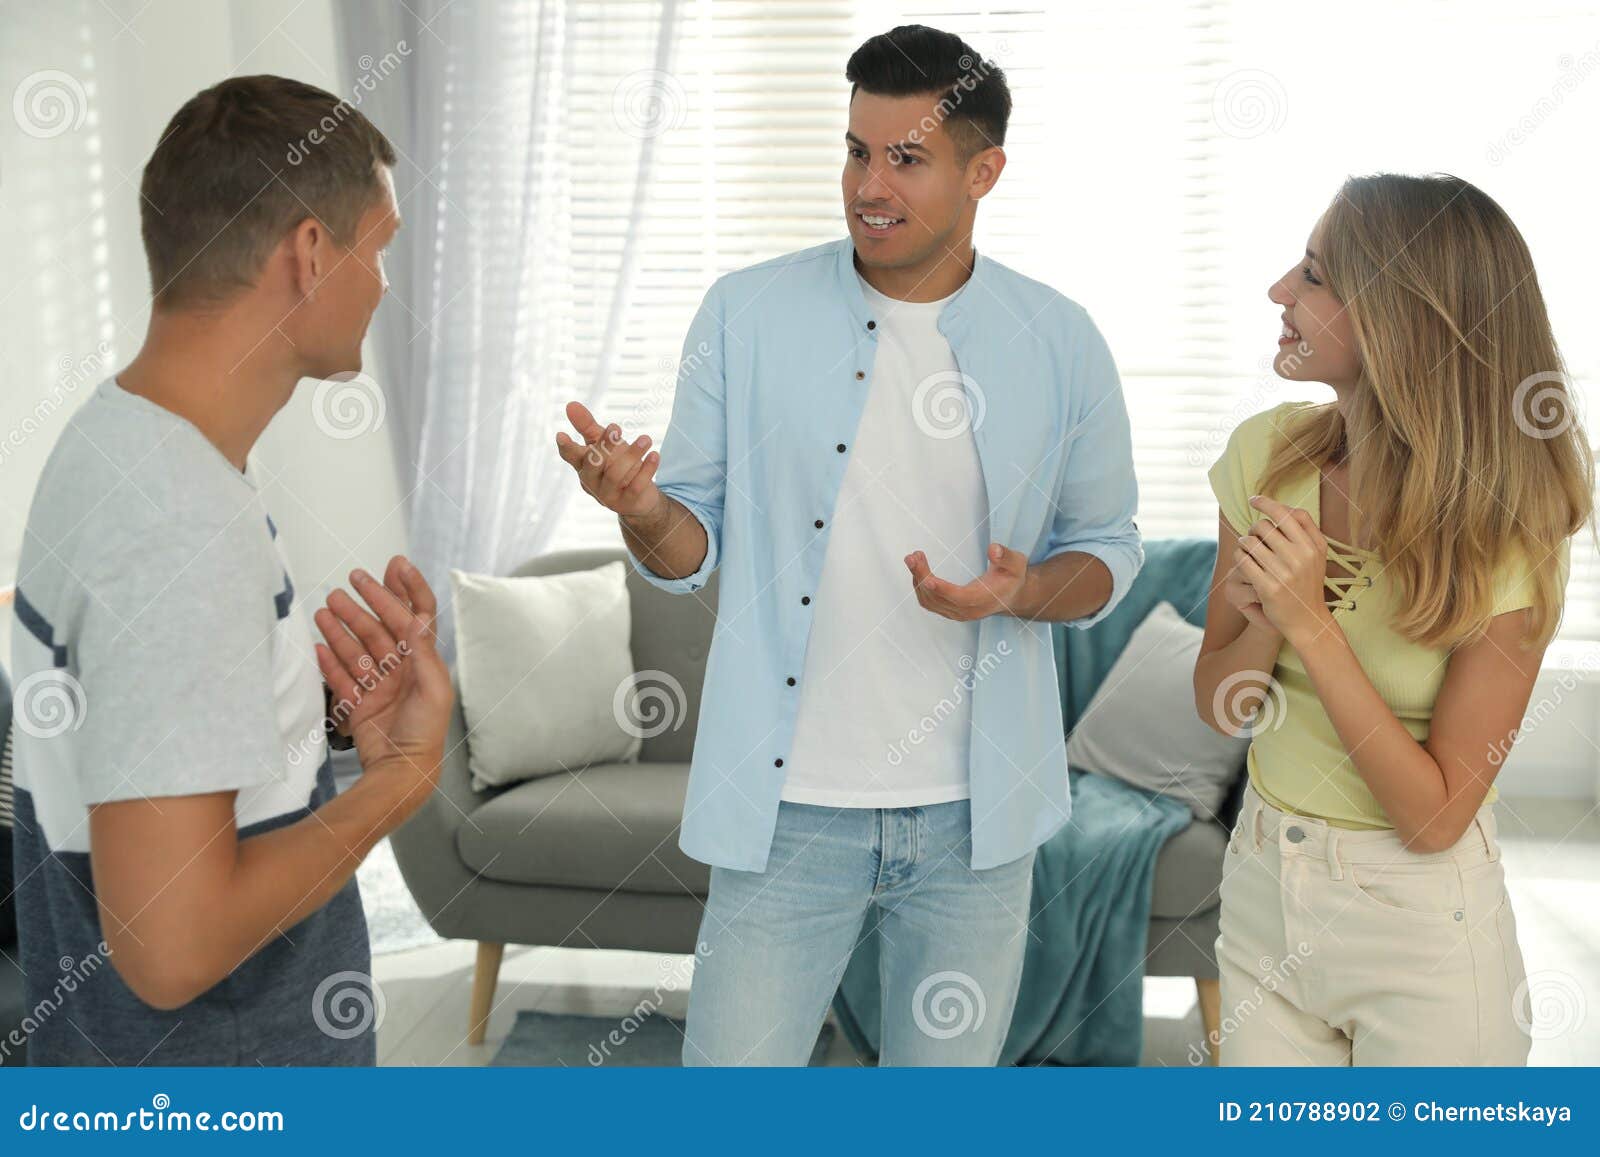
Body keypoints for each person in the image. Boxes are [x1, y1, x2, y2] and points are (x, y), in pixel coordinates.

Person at [556, 25, 1142, 1065]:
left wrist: (1025, 590)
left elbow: (1106, 547)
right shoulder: (745, 313)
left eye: (906, 158)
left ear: (984, 171)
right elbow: (687, 543)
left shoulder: (1059, 339)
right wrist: (640, 507)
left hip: (978, 820)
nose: (869, 184)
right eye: (855, 150)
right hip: (787, 815)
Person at [9, 75, 452, 1065]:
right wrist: (398, 779)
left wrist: (317, 722)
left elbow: (145, 749)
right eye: (375, 248)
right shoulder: (177, 523)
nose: (382, 283)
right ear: (308, 253)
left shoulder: (122, 441)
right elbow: (173, 946)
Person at [1195, 172, 1594, 1065]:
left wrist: (1313, 624)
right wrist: (1263, 615)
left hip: (1421, 926)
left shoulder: (1511, 522)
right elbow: (1218, 702)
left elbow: (1435, 816)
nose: (1279, 293)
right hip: (1263, 889)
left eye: (1314, 276)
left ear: (1399, 318)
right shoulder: (1266, 456)